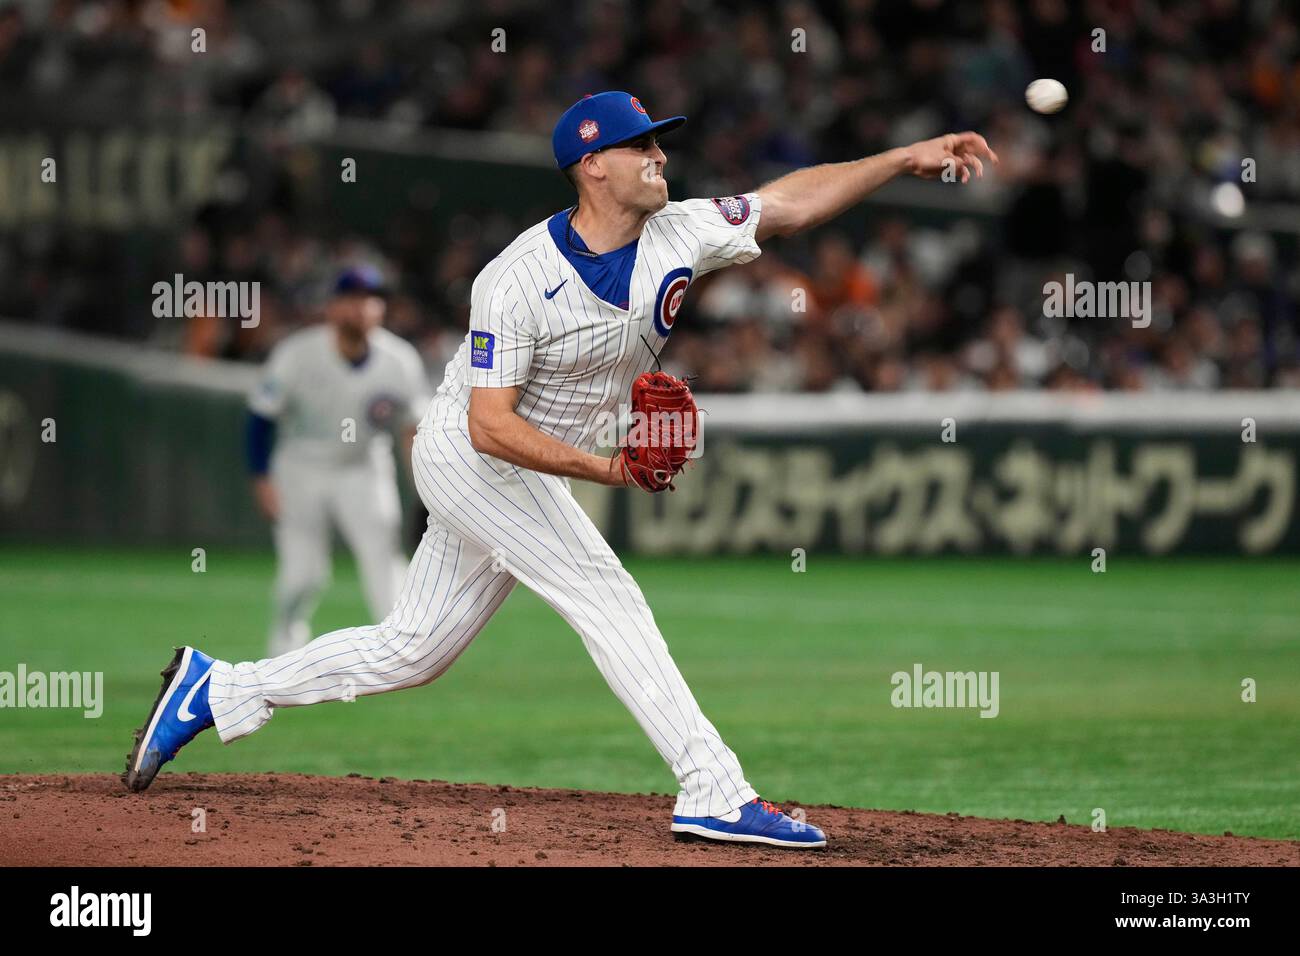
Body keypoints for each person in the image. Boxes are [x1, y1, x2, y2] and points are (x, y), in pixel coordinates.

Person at [124, 91, 996, 850]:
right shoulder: (517, 278)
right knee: (602, 589)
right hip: (470, 455)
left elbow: (786, 206)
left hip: (529, 468)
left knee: (413, 649)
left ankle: (222, 687)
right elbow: (490, 425)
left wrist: (903, 157)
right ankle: (714, 789)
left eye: (659, 140)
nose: (660, 155)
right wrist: (608, 470)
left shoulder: (682, 230)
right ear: (594, 168)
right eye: (641, 144)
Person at [246, 266, 429, 655]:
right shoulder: (298, 353)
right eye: (351, 298)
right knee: (304, 573)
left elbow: (411, 430)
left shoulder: (398, 360)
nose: (360, 308)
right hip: (300, 468)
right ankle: (285, 642)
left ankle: (399, 651)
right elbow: (261, 417)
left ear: (380, 308)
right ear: (331, 307)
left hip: (364, 468)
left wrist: (424, 489)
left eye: (369, 299)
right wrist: (261, 478)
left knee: (384, 561)